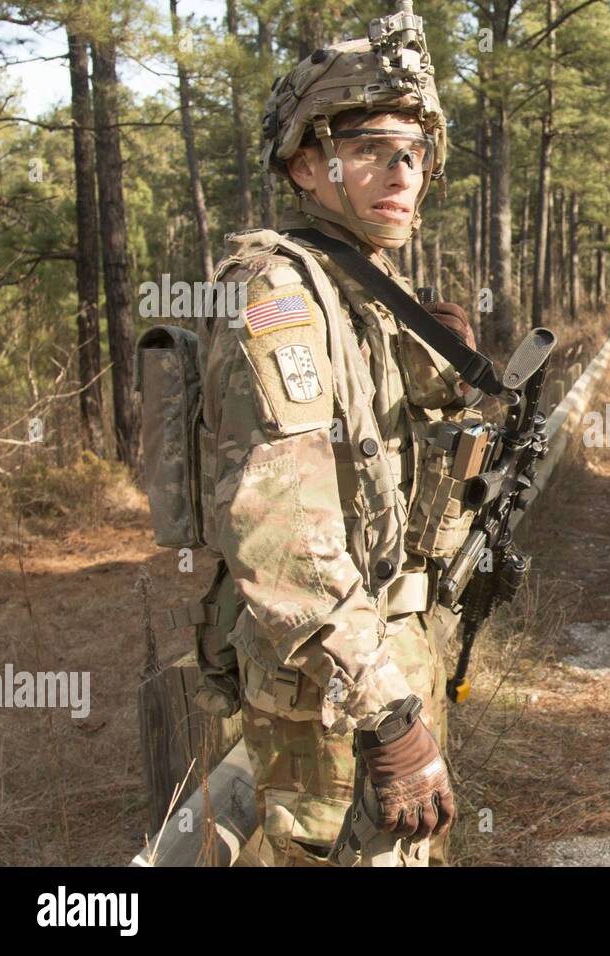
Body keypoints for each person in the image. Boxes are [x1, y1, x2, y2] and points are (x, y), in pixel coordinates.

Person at [195, 2, 473, 866]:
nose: (400, 171)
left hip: (384, 656)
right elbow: (282, 535)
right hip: (329, 688)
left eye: (413, 152)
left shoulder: (363, 286)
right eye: (367, 151)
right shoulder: (278, 294)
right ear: (308, 168)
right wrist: (388, 717)